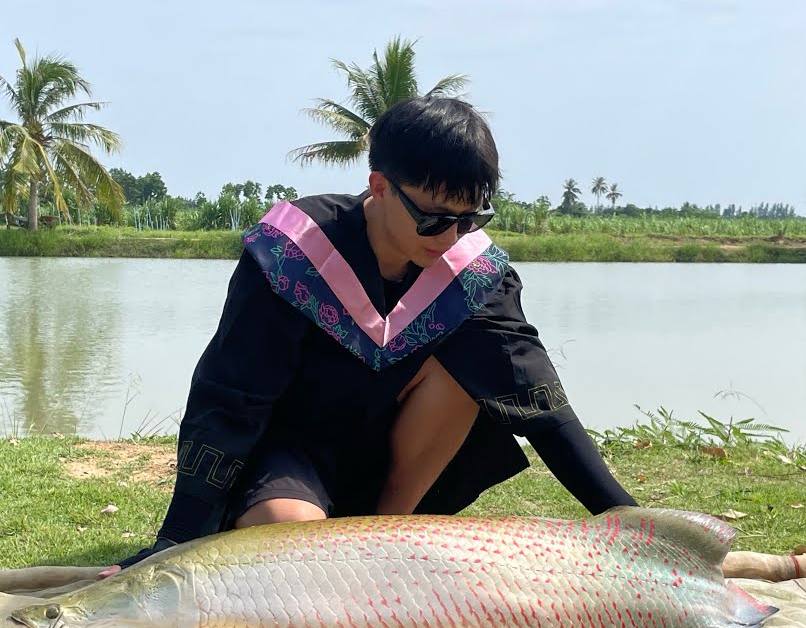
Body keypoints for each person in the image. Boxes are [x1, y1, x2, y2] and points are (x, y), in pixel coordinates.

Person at [101, 96, 636, 576]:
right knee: (291, 549)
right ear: (379, 187)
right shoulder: (293, 254)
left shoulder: (470, 272)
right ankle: (313, 528)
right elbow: (231, 396)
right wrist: (175, 540)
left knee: (474, 372)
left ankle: (384, 537)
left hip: (394, 464)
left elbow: (537, 397)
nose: (451, 238)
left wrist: (630, 523)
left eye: (469, 219)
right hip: (291, 454)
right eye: (433, 220)